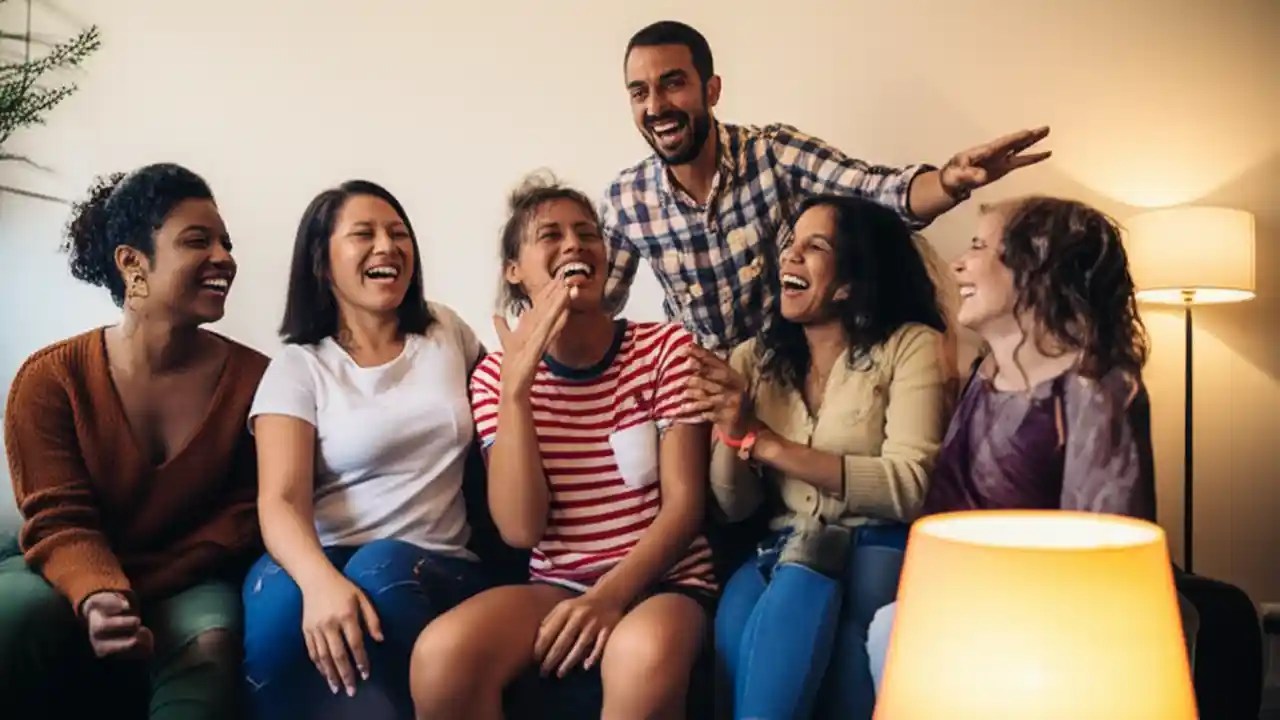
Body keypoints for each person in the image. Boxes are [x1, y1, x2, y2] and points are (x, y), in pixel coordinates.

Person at [409, 173, 716, 720]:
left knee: (639, 654)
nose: (575, 244)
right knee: (442, 656)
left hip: (667, 582)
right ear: (515, 271)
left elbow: (685, 506)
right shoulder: (494, 378)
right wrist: (517, 391)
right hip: (558, 584)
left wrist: (608, 598)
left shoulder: (664, 348)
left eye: (588, 233)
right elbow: (521, 529)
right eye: (550, 235)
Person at [863, 196, 1180, 693]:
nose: (958, 264)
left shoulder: (1096, 388)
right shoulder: (983, 372)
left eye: (978, 246)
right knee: (890, 625)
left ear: (1036, 263)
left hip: (1045, 620)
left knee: (894, 630)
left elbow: (1102, 555)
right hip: (958, 599)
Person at [603, 19, 1052, 353]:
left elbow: (874, 191)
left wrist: (949, 181)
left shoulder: (772, 152)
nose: (655, 106)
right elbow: (599, 303)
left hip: (790, 371)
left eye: (673, 84)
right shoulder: (626, 200)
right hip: (702, 388)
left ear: (712, 90)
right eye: (639, 92)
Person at [0, 163, 268, 719]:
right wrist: (100, 592)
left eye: (226, 243)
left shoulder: (260, 382)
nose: (224, 257)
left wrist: (141, 587)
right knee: (16, 614)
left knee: (211, 640)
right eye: (198, 241)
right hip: (69, 568)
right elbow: (58, 519)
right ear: (131, 262)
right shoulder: (51, 380)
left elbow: (249, 514)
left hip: (191, 580)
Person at [685, 194, 950, 719]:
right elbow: (734, 507)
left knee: (830, 632)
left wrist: (766, 442)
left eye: (815, 246)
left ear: (850, 279)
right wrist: (732, 433)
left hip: (875, 542)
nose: (790, 255)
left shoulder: (909, 346)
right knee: (735, 635)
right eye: (791, 244)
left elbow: (909, 487)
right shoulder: (754, 359)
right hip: (779, 543)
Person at [240, 180, 491, 719]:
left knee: (381, 569)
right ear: (322, 262)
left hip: (435, 561)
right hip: (325, 554)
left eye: (399, 234)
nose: (387, 247)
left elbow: (504, 407)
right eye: (364, 235)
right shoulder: (298, 367)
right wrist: (320, 585)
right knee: (278, 610)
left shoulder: (445, 332)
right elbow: (280, 499)